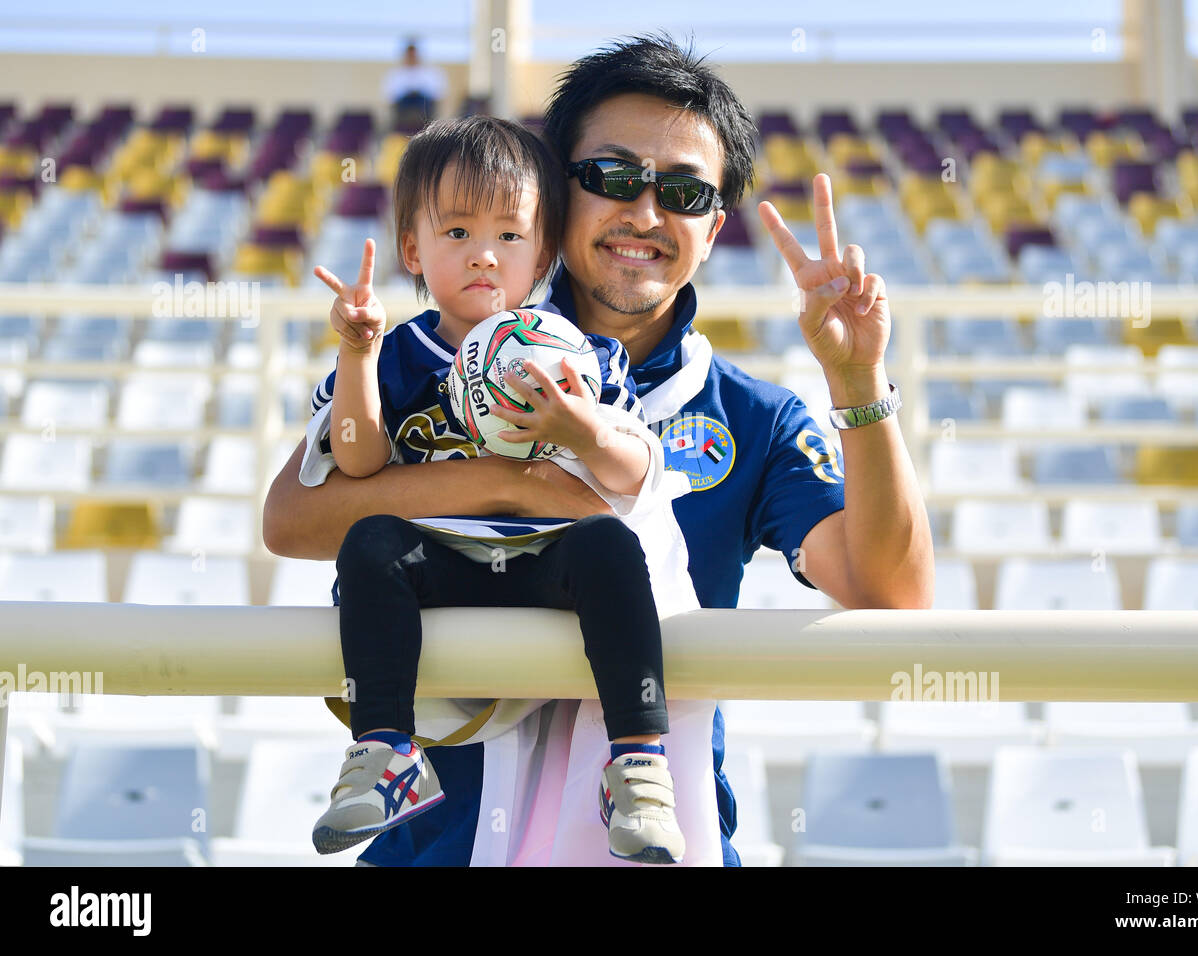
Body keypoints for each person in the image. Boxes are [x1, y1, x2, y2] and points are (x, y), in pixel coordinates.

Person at [263, 33, 933, 867]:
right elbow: (294, 520)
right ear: (555, 192)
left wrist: (859, 383)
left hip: (649, 842)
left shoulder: (755, 416)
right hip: (434, 842)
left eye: (683, 192)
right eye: (612, 178)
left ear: (715, 226)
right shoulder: (445, 349)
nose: (644, 214)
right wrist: (510, 485)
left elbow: (892, 591)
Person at [304, 115, 693, 863]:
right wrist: (357, 356)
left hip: (547, 565)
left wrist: (582, 429)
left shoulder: (583, 355)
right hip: (440, 568)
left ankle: (639, 761)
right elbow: (354, 464)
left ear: (544, 250)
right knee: (371, 539)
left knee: (609, 544)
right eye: (456, 233)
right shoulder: (400, 355)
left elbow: (635, 477)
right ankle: (384, 751)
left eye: (510, 236)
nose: (484, 255)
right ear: (413, 249)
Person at [385, 39, 447, 131]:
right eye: (409, 55)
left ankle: (427, 128)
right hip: (403, 105)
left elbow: (437, 94)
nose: (411, 57)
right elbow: (390, 96)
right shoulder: (395, 74)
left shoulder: (430, 73)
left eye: (413, 54)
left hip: (423, 105)